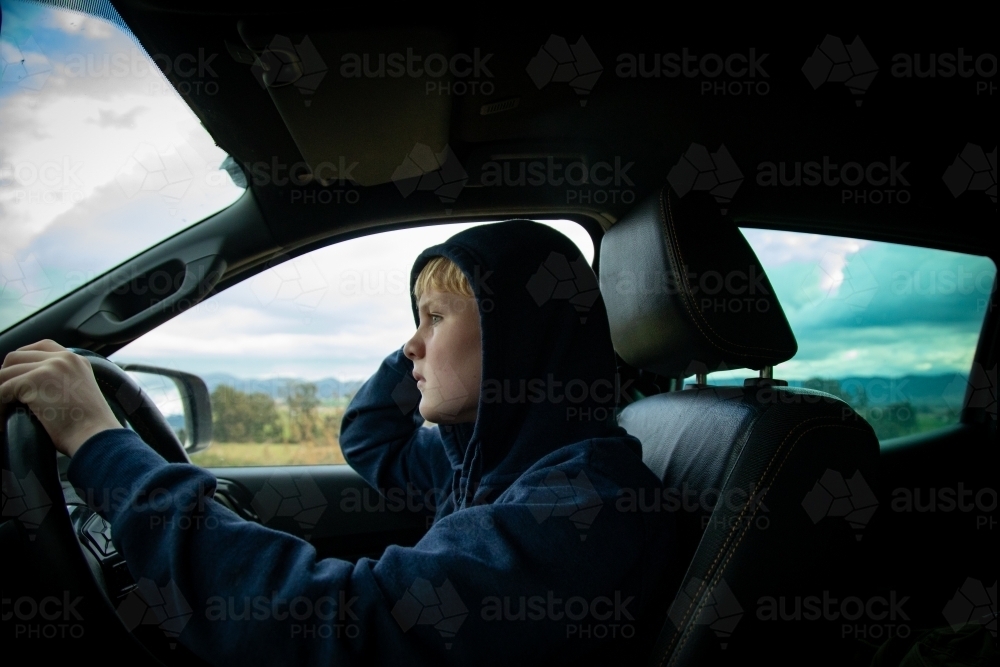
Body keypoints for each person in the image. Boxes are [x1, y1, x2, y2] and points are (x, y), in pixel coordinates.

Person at [0, 220, 673, 665]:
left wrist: (97, 441)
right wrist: (430, 342)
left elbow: (342, 624)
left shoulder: (587, 499)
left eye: (434, 318)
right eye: (415, 321)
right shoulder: (478, 456)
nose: (411, 343)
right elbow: (371, 435)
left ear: (516, 336)